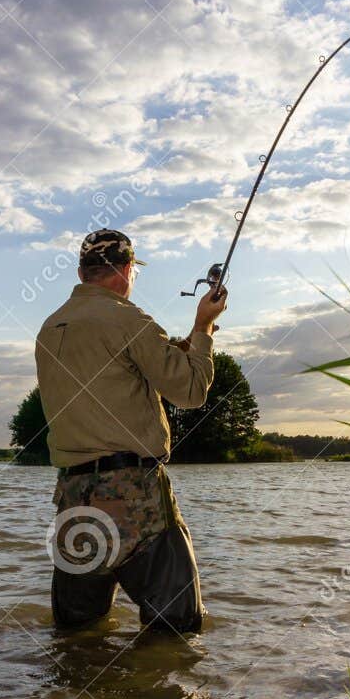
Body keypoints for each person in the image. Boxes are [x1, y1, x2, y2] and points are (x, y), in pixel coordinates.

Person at [34, 229, 229, 634]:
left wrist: (164, 351)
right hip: (136, 497)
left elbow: (106, 379)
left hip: (74, 503)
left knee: (76, 635)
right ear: (126, 270)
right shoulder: (129, 318)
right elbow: (191, 392)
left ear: (81, 272)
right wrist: (204, 329)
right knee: (176, 632)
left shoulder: (49, 329)